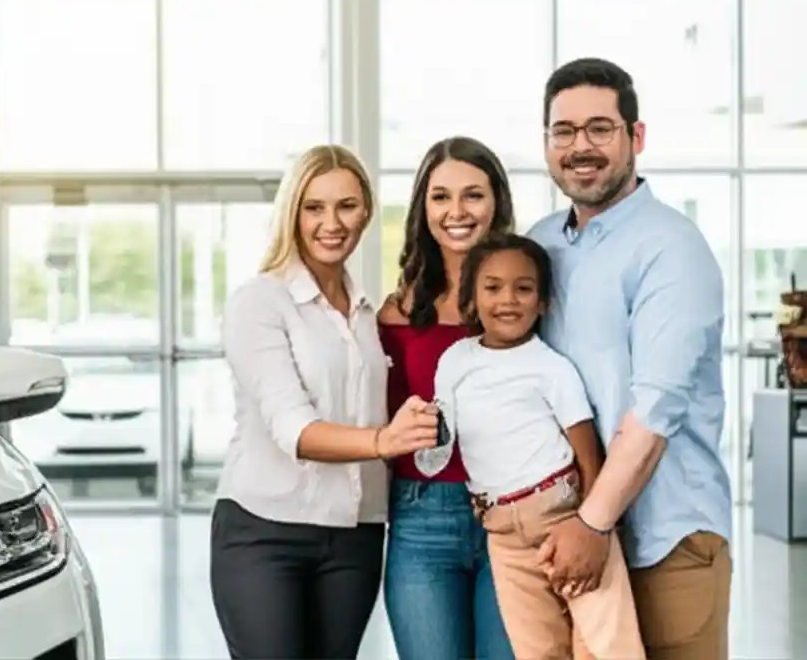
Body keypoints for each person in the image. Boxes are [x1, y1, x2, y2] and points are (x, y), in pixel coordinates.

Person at [526, 57, 732, 660]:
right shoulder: (539, 244)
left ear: (635, 137)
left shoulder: (672, 249)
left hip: (665, 543)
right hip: (567, 539)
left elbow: (654, 410)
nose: (579, 147)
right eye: (563, 131)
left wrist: (593, 522)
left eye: (599, 128)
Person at [210, 143, 439, 660]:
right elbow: (293, 430)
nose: (331, 223)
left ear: (367, 212)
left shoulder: (365, 313)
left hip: (356, 535)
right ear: (293, 213)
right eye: (314, 207)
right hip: (265, 532)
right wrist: (385, 441)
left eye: (347, 206)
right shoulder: (259, 302)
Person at [435, 232, 645, 659]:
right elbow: (441, 445)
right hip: (503, 534)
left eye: (524, 288)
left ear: (543, 303)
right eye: (492, 287)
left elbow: (588, 453)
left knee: (606, 647)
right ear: (471, 299)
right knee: (536, 650)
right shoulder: (455, 361)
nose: (508, 299)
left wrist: (597, 527)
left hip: (564, 516)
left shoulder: (551, 368)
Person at [377, 136, 516, 660]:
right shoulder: (398, 310)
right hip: (422, 518)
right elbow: (381, 420)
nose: (456, 211)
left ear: (497, 201)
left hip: (515, 513)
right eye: (440, 197)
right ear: (423, 208)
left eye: (473, 195)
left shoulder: (526, 295)